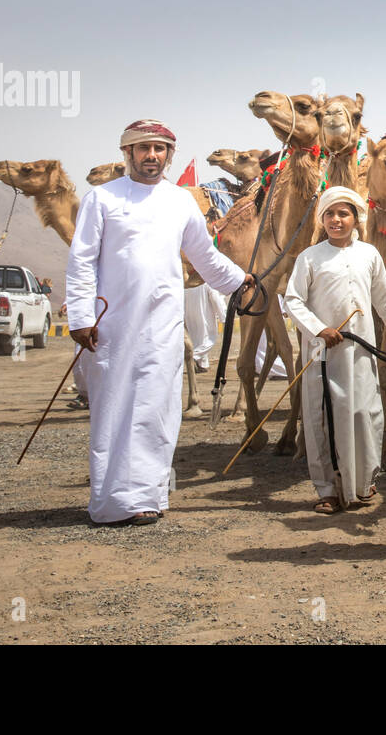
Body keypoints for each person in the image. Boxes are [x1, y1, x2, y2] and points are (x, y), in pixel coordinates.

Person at [66, 120, 253, 526]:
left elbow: (204, 255)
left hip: (163, 325)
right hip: (110, 324)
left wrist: (240, 280)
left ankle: (148, 499)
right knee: (113, 408)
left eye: (159, 149)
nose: (152, 156)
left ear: (169, 155)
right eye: (143, 148)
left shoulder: (180, 201)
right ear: (128, 153)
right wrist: (81, 316)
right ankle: (111, 500)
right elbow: (80, 262)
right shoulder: (100, 199)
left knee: (157, 408)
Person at [284, 186, 386, 513]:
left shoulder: (369, 255)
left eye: (343, 213)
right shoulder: (309, 257)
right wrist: (318, 328)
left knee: (365, 413)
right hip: (323, 353)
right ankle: (328, 490)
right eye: (330, 214)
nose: (337, 220)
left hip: (360, 351)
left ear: (355, 218)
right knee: (324, 417)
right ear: (322, 219)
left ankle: (363, 482)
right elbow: (293, 300)